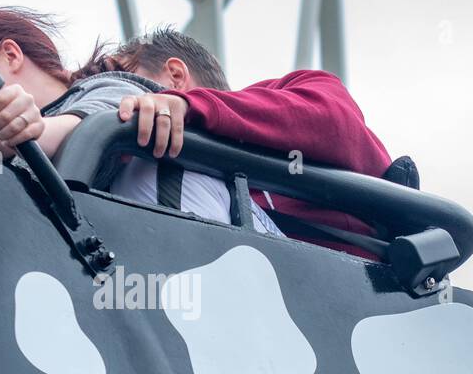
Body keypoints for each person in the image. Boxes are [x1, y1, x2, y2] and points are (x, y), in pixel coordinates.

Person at [0, 8, 282, 235]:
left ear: (11, 54)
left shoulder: (111, 89)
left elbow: (98, 120)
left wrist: (33, 133)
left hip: (213, 261)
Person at [109, 27, 402, 260]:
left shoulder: (291, 90)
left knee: (154, 163)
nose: (124, 105)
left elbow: (336, 124)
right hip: (229, 286)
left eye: (126, 84)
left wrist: (192, 107)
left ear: (175, 76)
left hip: (326, 289)